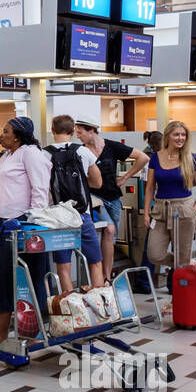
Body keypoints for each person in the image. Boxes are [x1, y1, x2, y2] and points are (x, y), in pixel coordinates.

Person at [0, 117, 51, 357]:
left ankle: (31, 332)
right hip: (1, 222)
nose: (2, 135)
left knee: (29, 277)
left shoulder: (30, 153)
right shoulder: (7, 156)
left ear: (18, 135)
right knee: (3, 278)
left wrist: (32, 223)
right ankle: (3, 333)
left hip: (22, 223)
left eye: (5, 132)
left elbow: (41, 189)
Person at [76, 118, 149, 280]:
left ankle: (106, 276)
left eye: (80, 132)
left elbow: (143, 158)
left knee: (111, 236)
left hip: (114, 197)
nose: (78, 136)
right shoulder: (81, 151)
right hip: (94, 198)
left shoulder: (112, 146)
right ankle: (99, 276)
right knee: (109, 229)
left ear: (91, 130)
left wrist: (124, 178)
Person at [46, 115, 106, 292]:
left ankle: (70, 310)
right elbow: (98, 183)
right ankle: (100, 305)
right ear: (73, 132)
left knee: (63, 266)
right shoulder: (83, 152)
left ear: (52, 131)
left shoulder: (44, 154)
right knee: (95, 261)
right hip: (82, 214)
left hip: (58, 217)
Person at [144, 120, 196, 283]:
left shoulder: (191, 159)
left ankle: (178, 299)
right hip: (160, 209)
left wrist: (195, 208)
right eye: (176, 134)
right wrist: (146, 212)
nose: (180, 138)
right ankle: (183, 264)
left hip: (183, 209)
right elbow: (150, 187)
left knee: (182, 254)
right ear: (168, 136)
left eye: (183, 135)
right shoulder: (155, 158)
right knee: (154, 253)